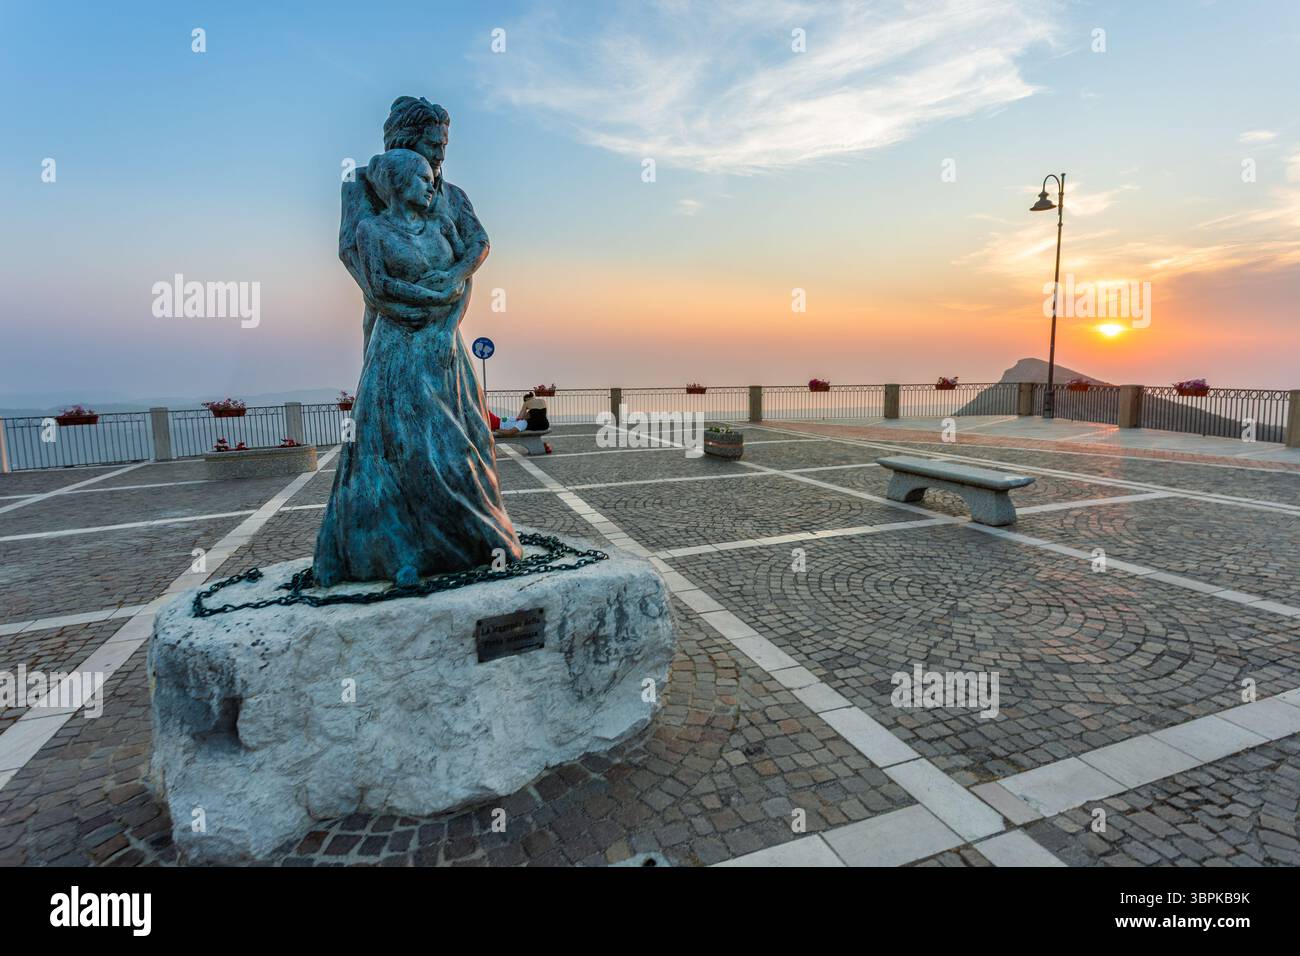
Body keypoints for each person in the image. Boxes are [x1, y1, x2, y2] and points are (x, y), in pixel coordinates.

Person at [313, 148, 522, 587]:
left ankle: (475, 534)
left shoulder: (444, 217)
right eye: (425, 172)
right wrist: (424, 302)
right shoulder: (368, 221)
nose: (436, 174)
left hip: (444, 340)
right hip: (397, 345)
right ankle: (396, 547)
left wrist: (447, 315)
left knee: (461, 439)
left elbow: (468, 265)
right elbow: (375, 285)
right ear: (400, 179)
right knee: (399, 442)